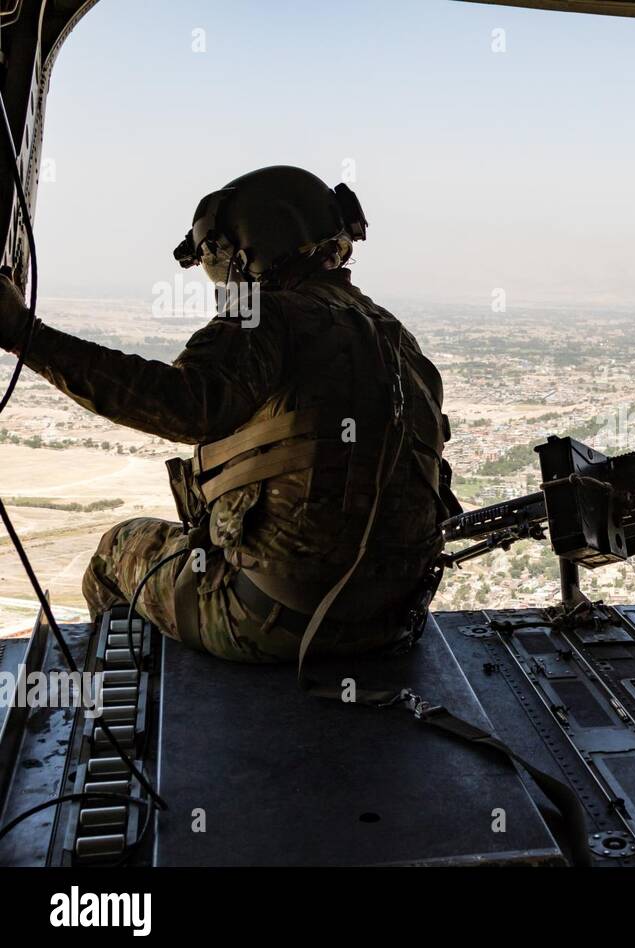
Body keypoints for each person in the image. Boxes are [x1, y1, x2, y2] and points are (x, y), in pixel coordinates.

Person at [0, 165, 458, 663]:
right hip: (391, 620)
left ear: (245, 253)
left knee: (117, 551)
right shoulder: (397, 338)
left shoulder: (269, 315)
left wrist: (25, 333)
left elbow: (183, 404)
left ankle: (128, 711)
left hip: (278, 619)